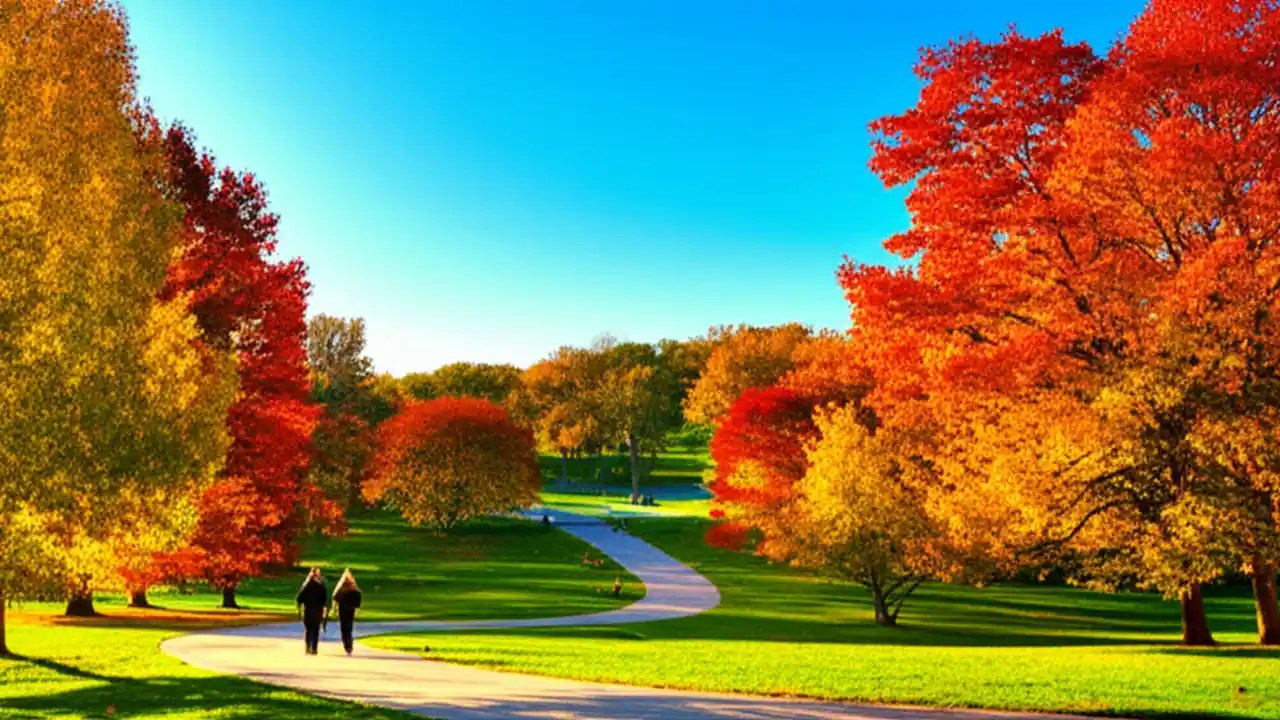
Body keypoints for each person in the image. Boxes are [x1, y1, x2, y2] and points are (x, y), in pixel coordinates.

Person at [330, 568, 363, 656]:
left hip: (343, 610)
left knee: (344, 629)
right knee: (349, 628)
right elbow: (358, 600)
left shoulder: (341, 589)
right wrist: (356, 608)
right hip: (350, 610)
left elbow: (335, 598)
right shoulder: (354, 589)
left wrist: (334, 609)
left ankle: (348, 646)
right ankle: (349, 645)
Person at [295, 567, 328, 655]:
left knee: (309, 630)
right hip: (316, 611)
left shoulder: (306, 585)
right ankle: (314, 648)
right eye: (318, 574)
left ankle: (308, 647)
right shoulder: (321, 586)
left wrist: (299, 607)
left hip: (309, 611)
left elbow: (299, 599)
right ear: (315, 575)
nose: (319, 576)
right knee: (315, 630)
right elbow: (325, 600)